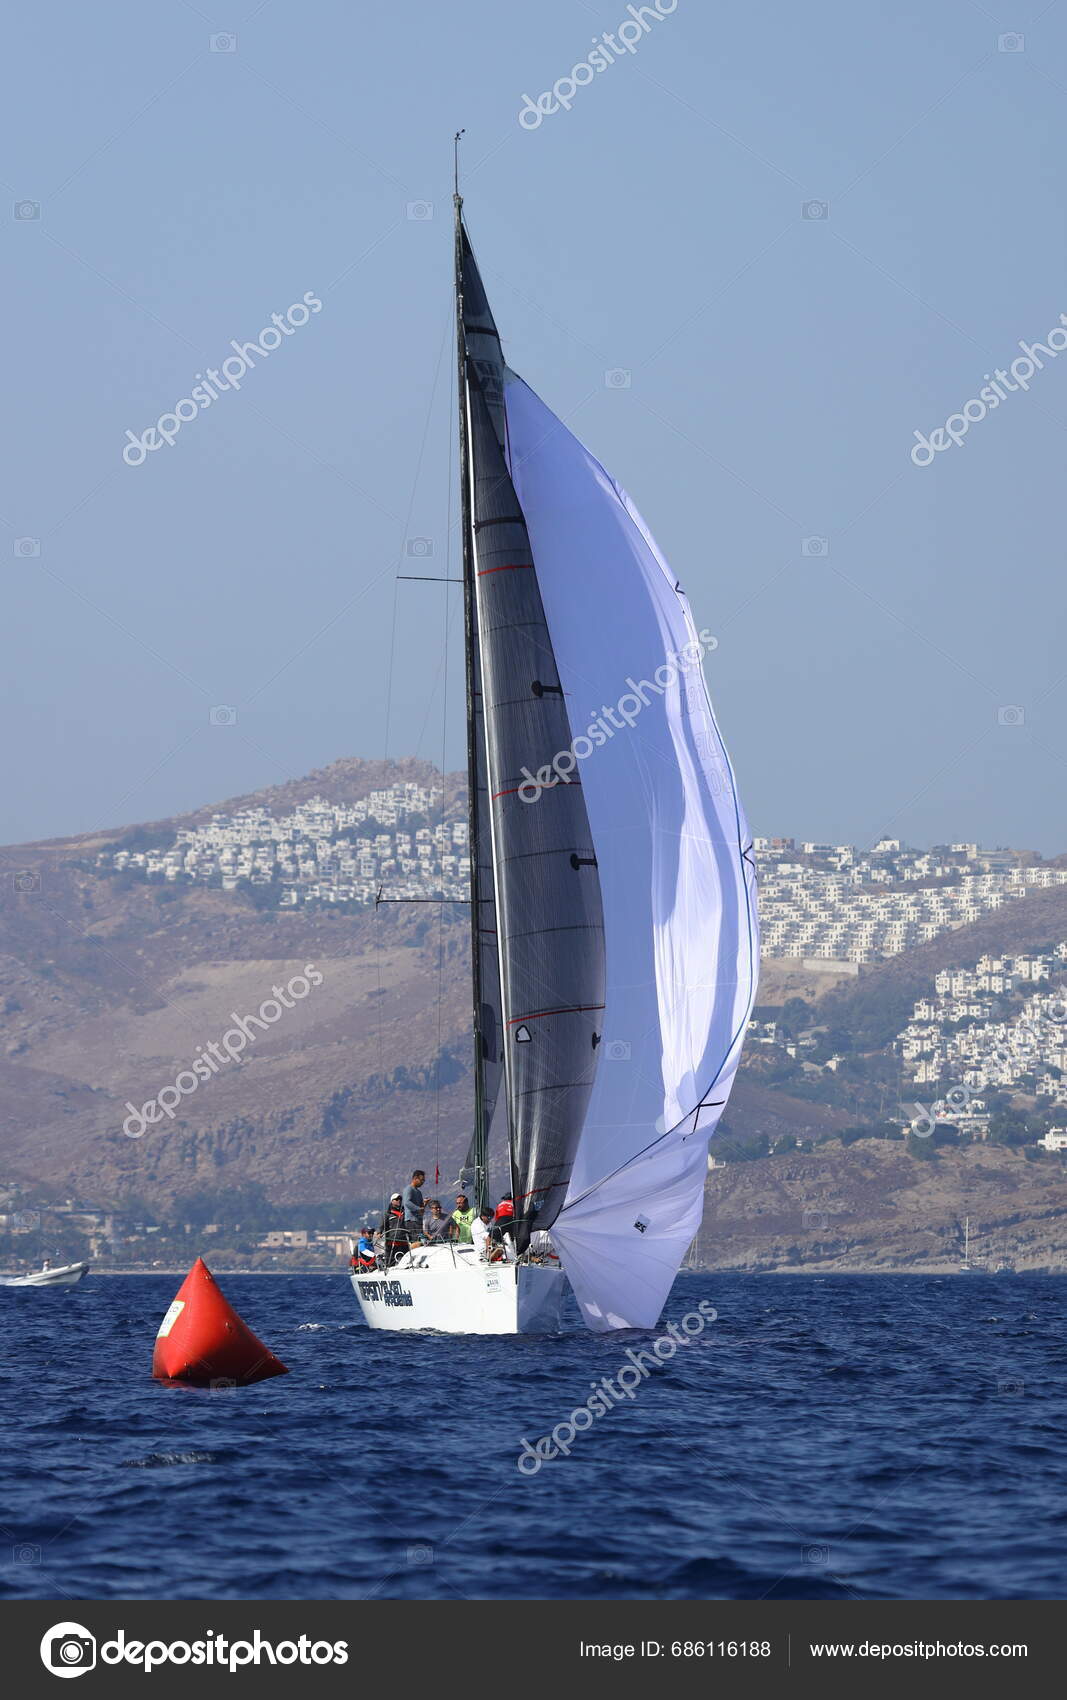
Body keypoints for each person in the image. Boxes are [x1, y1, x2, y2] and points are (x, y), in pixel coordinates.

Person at [381, 1193, 408, 1266]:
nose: (399, 1201)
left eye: (400, 1199)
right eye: (396, 1199)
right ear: (392, 1201)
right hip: (391, 1242)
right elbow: (382, 1226)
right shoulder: (387, 1214)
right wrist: (379, 1232)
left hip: (404, 1242)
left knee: (407, 1261)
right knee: (390, 1263)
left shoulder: (405, 1212)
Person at [402, 1170, 426, 1236]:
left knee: (420, 1240)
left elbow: (421, 1207)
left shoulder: (419, 1192)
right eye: (421, 1180)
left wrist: (425, 1203)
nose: (423, 1182)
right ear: (415, 1178)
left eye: (424, 1180)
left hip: (418, 1221)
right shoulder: (408, 1189)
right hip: (411, 1221)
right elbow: (407, 1202)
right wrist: (418, 1208)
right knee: (415, 1242)